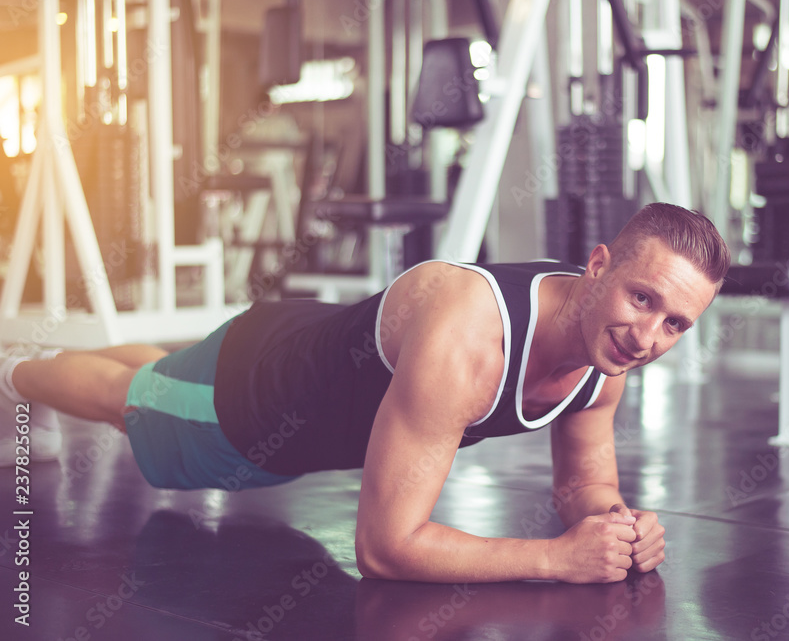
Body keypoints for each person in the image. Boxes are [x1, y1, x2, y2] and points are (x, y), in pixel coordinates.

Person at [0, 202, 729, 584]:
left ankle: (82, 363)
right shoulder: (471, 340)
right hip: (245, 406)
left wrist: (618, 531)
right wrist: (555, 560)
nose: (647, 337)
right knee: (132, 401)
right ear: (598, 264)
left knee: (163, 374)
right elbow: (385, 548)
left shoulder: (606, 357)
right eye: (642, 300)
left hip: (295, 366)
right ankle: (16, 375)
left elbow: (588, 483)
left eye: (675, 324)